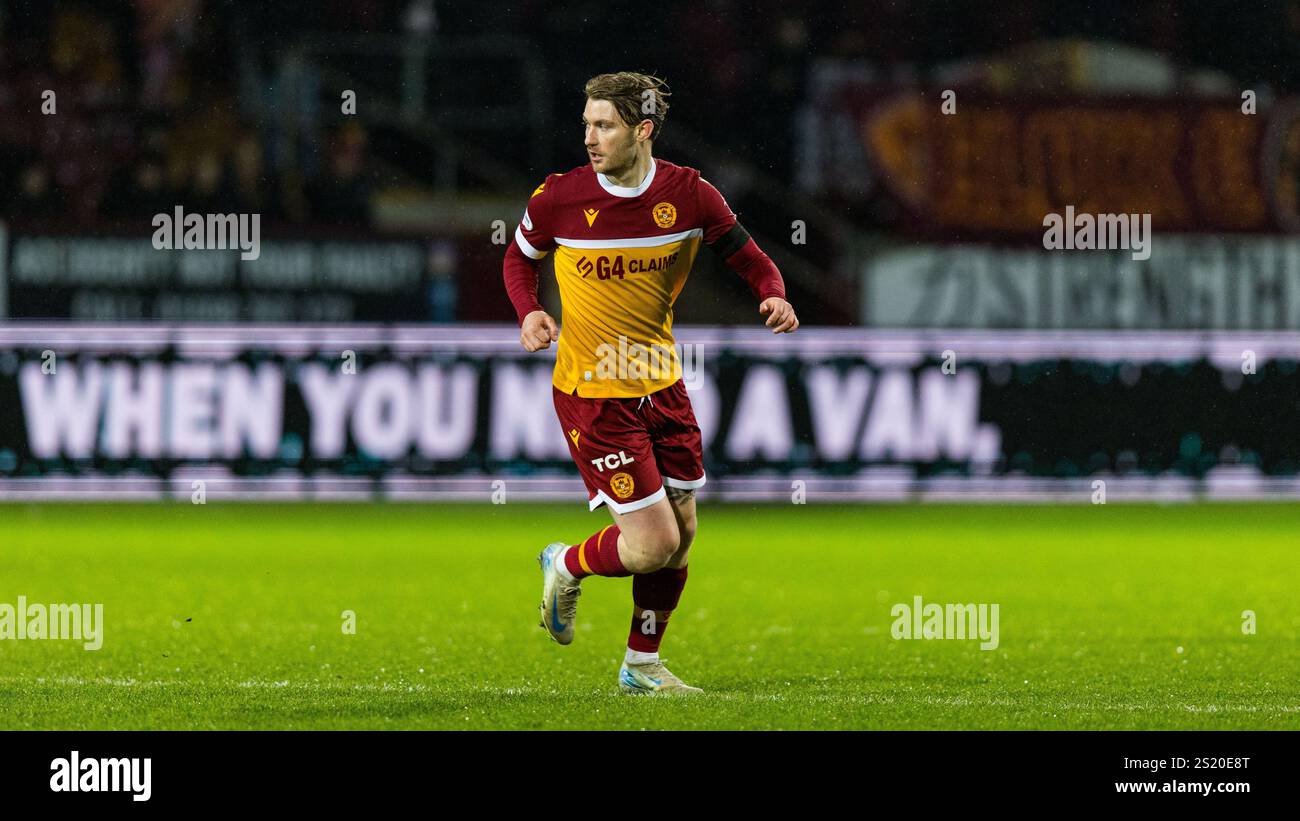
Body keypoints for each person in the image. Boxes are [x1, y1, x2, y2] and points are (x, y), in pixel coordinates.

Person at [502, 71, 799, 695]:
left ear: (642, 131)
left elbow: (749, 258)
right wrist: (529, 310)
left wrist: (772, 295)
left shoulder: (690, 196)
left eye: (603, 125)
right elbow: (518, 259)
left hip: (661, 383)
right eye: (585, 123)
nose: (589, 137)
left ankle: (641, 666)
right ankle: (566, 562)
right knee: (651, 543)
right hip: (593, 392)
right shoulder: (558, 198)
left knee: (683, 534)